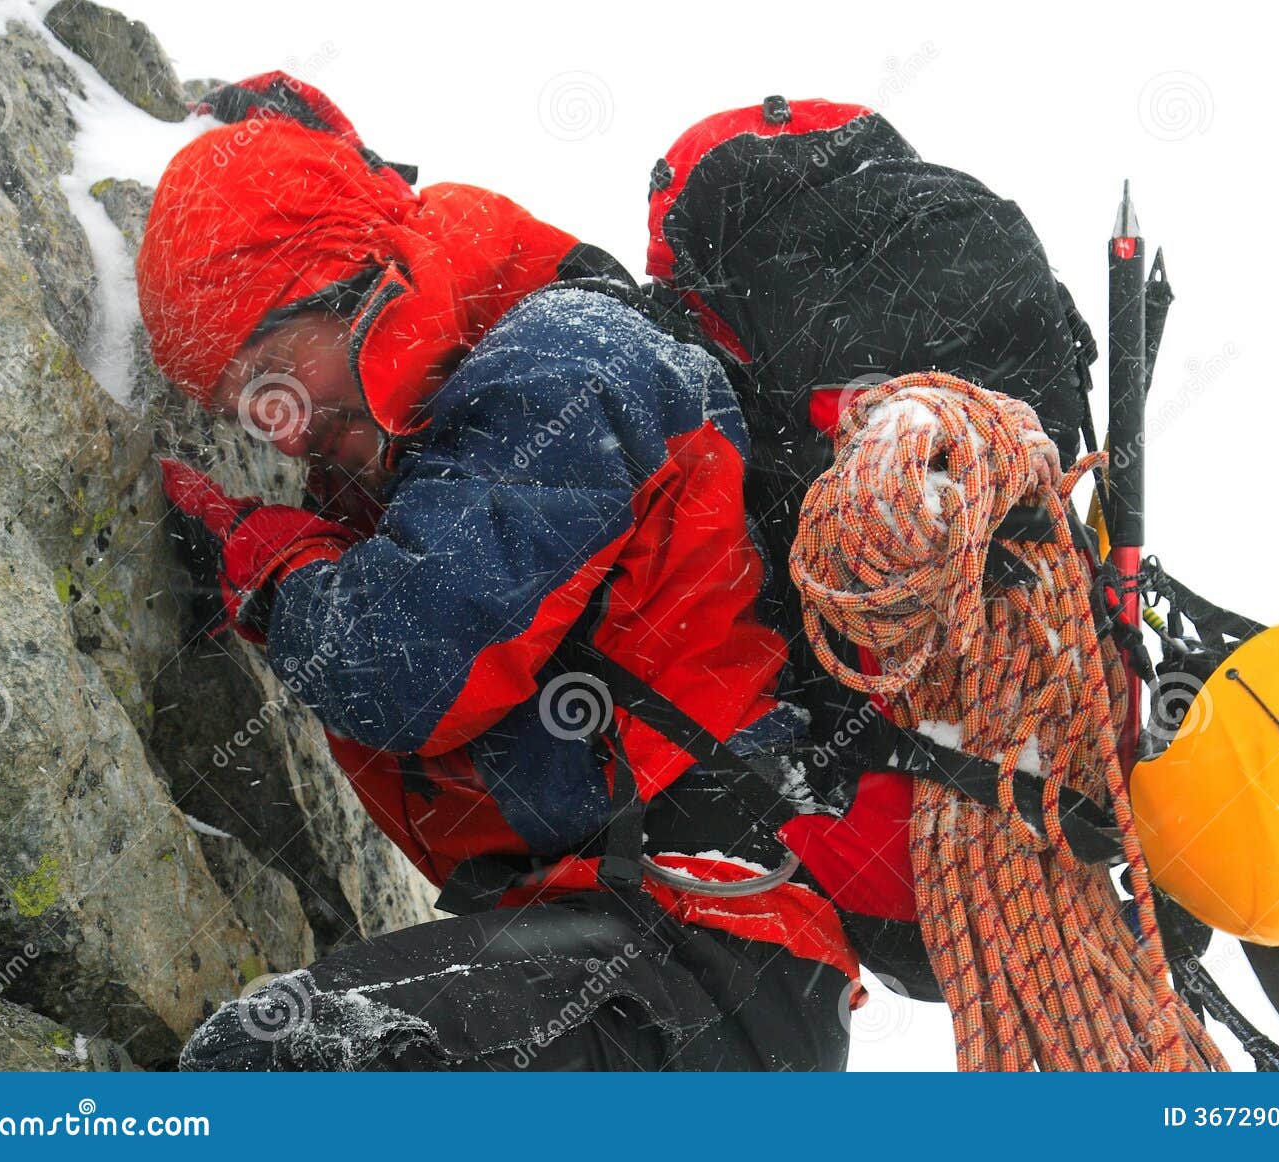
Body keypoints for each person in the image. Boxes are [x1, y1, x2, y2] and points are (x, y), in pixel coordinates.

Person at [140, 74, 904, 1071]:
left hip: (707, 957)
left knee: (287, 1067)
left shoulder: (564, 361)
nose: (276, 428)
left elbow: (404, 660)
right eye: (241, 406)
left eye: (272, 369)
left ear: (351, 276)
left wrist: (265, 564)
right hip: (646, 958)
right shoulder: (441, 436)